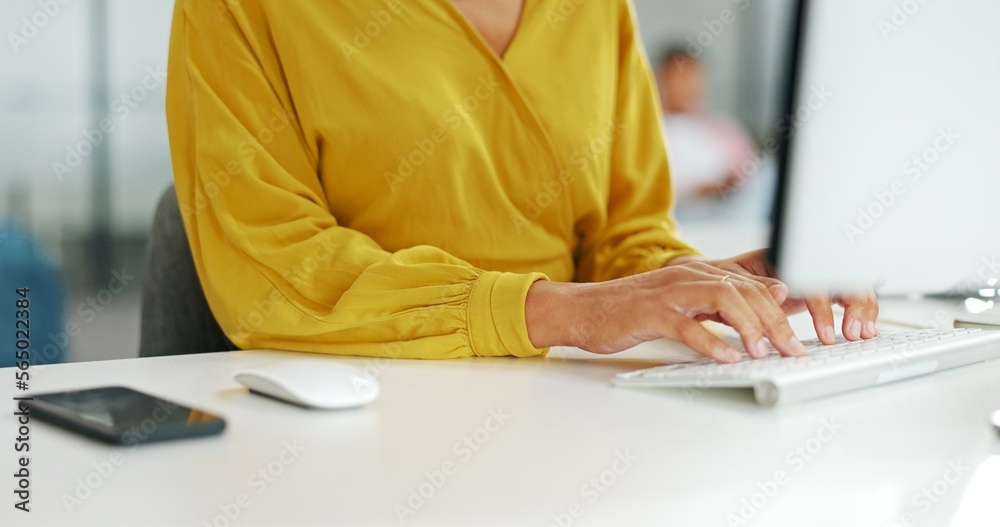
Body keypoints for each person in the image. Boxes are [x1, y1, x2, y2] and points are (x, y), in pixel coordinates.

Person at [166, 0, 878, 364]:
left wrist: (700, 286)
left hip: (569, 408)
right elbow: (273, 267)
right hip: (357, 421)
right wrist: (562, 313)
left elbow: (622, 233)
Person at [657, 48, 758, 203]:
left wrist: (724, 187)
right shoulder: (650, 130)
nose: (686, 85)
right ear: (662, 80)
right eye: (678, 77)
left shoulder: (726, 131)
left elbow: (749, 181)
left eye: (691, 77)